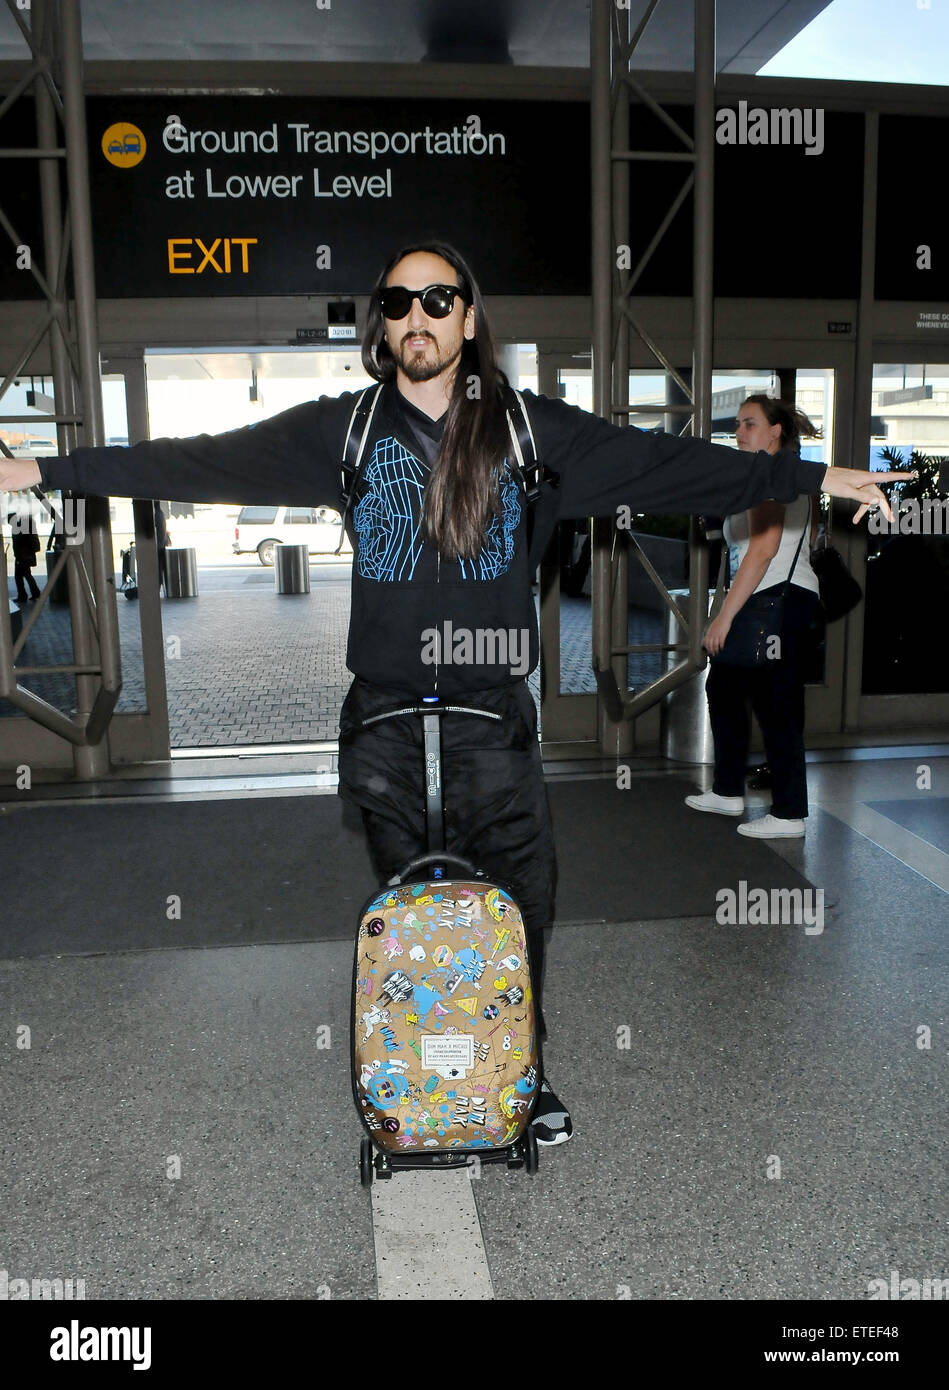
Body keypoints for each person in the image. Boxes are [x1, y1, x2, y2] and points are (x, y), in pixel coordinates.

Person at [0, 242, 909, 1146]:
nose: (417, 318)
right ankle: (423, 1079)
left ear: (469, 320)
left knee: (516, 909)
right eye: (397, 303)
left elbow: (664, 464)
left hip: (491, 728)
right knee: (417, 918)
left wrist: (812, 476)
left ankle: (519, 1074)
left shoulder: (529, 432)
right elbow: (197, 461)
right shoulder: (343, 433)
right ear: (381, 325)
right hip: (386, 728)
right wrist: (43, 472)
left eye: (438, 300)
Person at [687, 396, 824, 837]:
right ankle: (728, 791)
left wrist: (723, 618)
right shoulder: (769, 477)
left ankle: (789, 815)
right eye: (738, 424)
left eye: (750, 424)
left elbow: (763, 551)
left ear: (775, 432)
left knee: (776, 708)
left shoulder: (774, 476)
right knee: (724, 687)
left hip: (779, 602)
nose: (740, 432)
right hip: (772, 600)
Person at [6, 507, 42, 602]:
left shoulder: (18, 527)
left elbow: (19, 542)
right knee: (26, 574)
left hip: (22, 556)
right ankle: (34, 593)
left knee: (20, 576)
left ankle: (25, 595)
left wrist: (18, 555)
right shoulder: (22, 525)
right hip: (25, 554)